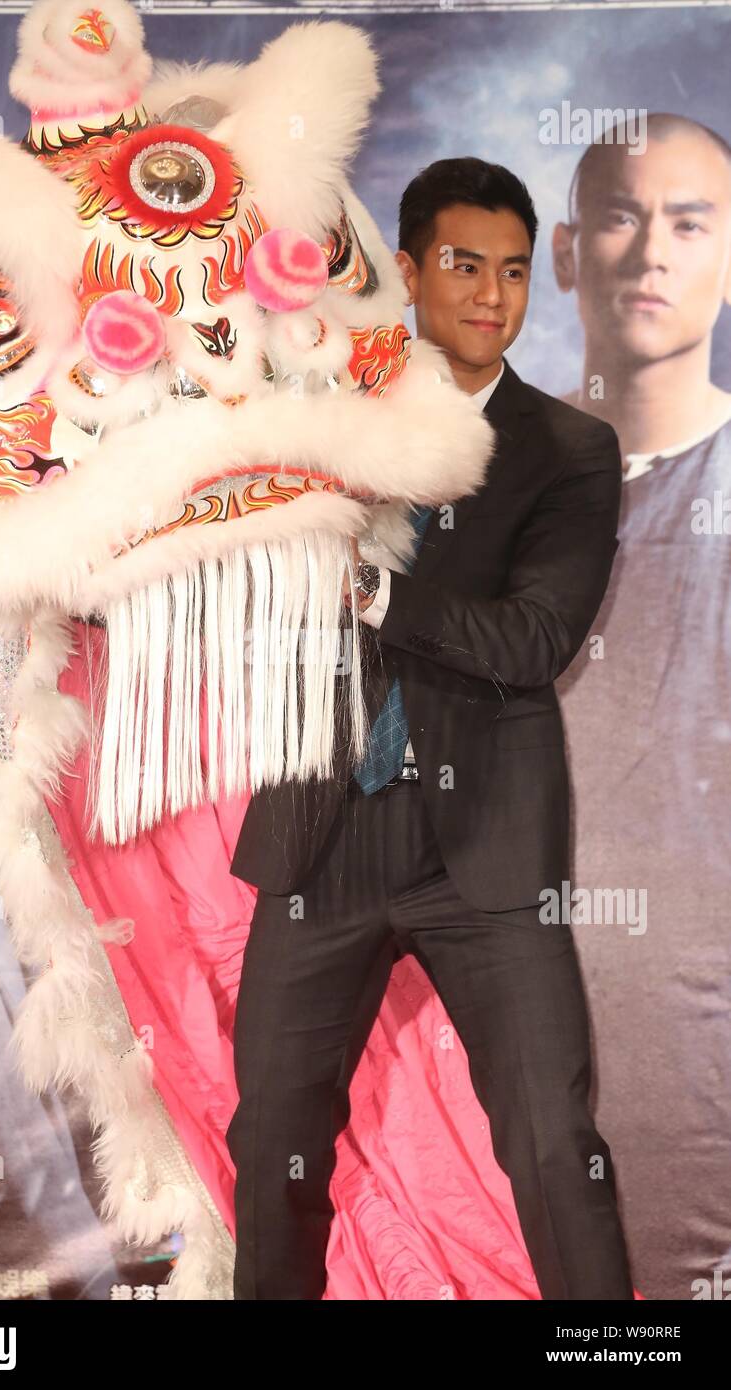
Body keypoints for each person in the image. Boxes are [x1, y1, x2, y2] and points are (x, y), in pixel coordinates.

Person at [226, 157, 635, 1301]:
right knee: (272, 1143)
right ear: (405, 272)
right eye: (462, 265)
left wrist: (376, 592)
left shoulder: (566, 450)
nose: (491, 294)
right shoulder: (317, 418)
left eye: (512, 272)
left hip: (485, 853)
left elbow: (531, 641)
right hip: (322, 835)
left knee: (553, 1142)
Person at [551, 114, 731, 1296]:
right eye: (619, 216)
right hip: (497, 1036)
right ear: (566, 253)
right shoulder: (464, 486)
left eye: (688, 222)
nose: (649, 253)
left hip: (695, 1058)